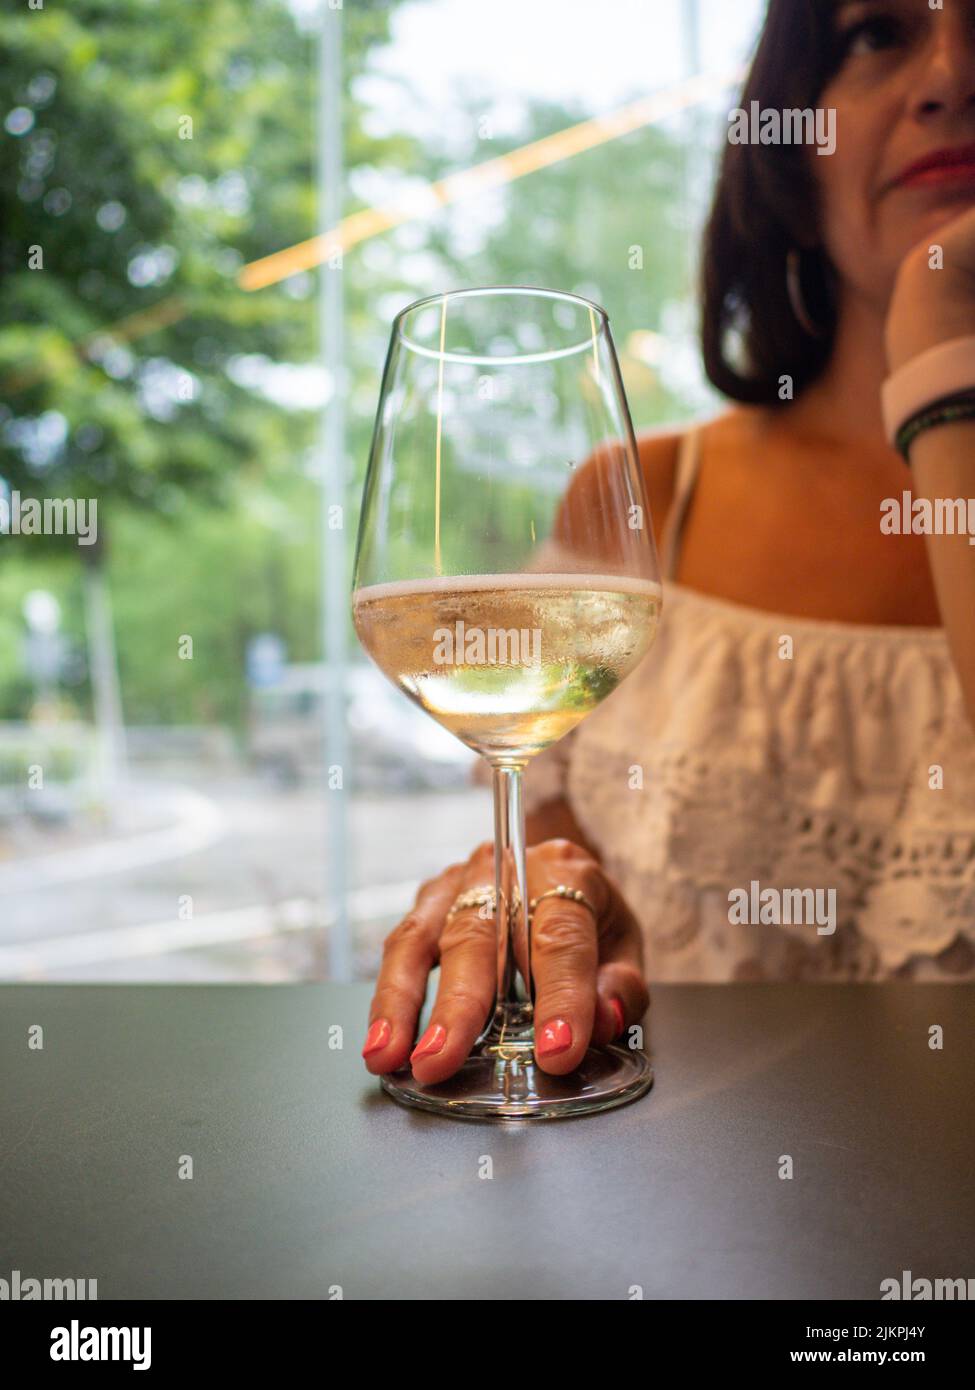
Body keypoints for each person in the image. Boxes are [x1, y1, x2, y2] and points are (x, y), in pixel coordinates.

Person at [362, 0, 975, 1085]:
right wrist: (548, 906)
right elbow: (579, 894)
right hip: (683, 1226)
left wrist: (943, 368)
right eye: (878, 32)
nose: (953, 76)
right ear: (790, 142)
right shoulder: (644, 497)